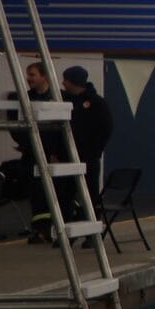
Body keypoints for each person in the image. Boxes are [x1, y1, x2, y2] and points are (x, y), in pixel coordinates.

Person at [7, 63, 68, 244]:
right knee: (36, 193)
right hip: (32, 153)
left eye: (33, 74)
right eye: (28, 75)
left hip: (54, 155)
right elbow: (18, 127)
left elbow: (63, 129)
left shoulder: (58, 98)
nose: (29, 78)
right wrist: (27, 145)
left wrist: (58, 152)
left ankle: (57, 228)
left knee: (58, 193)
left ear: (44, 77)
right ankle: (39, 230)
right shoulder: (25, 99)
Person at [59, 66, 112, 231]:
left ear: (74, 82)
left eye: (66, 80)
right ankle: (64, 230)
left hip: (89, 157)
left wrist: (95, 151)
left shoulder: (96, 102)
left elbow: (106, 128)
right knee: (65, 195)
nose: (63, 83)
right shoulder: (63, 101)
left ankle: (92, 232)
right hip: (66, 157)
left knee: (90, 195)